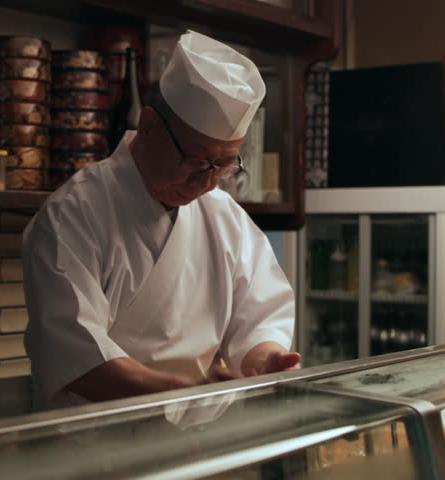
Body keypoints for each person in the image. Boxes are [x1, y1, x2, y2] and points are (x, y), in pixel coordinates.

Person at [22, 30, 300, 410]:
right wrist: (184, 392)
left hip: (192, 441)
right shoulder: (73, 213)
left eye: (222, 166)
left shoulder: (225, 217)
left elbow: (258, 318)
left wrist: (264, 359)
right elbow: (76, 356)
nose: (205, 181)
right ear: (149, 125)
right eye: (196, 160)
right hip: (90, 443)